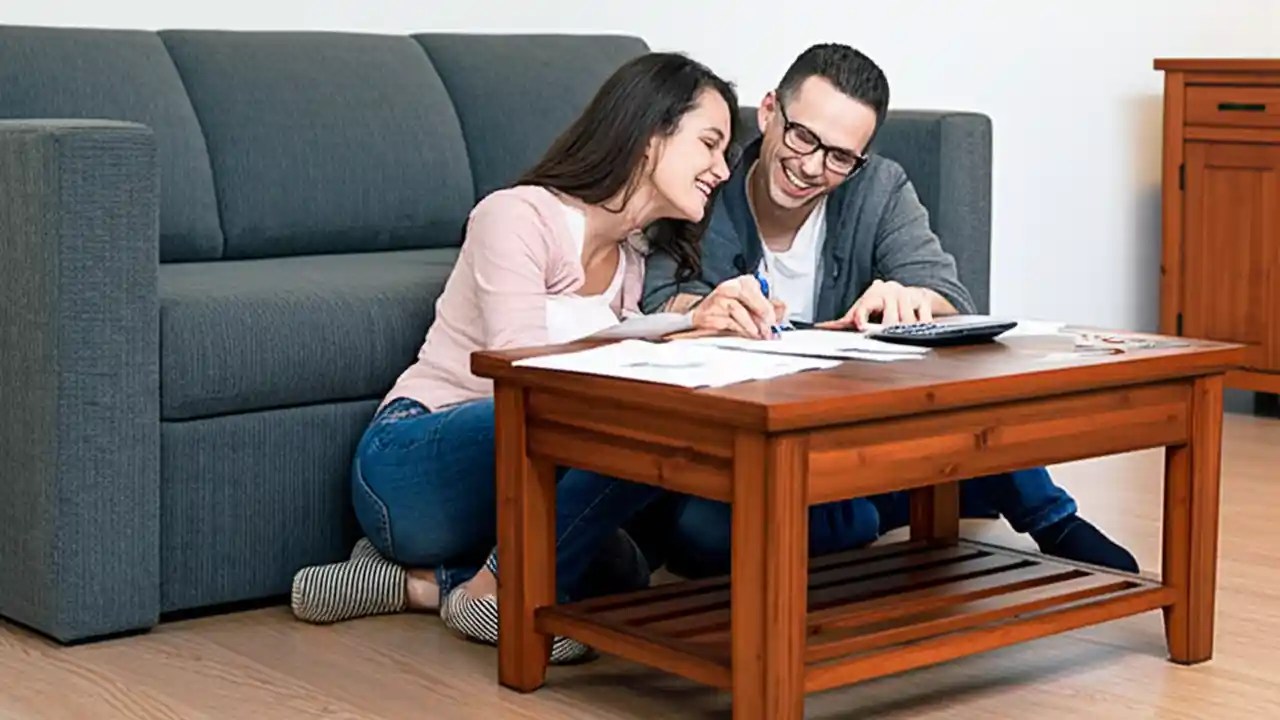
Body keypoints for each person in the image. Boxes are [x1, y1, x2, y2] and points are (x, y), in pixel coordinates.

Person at [288, 51, 784, 664]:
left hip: (510, 488)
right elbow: (521, 380)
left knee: (628, 570)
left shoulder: (630, 261)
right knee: (627, 424)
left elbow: (608, 358)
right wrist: (662, 339)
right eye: (709, 144)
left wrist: (697, 327)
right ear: (650, 134)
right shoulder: (518, 216)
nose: (721, 169)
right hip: (411, 461)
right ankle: (498, 586)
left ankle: (423, 584)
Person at [639, 43, 1139, 578]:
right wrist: (708, 309)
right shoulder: (707, 181)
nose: (810, 167)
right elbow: (655, 301)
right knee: (704, 535)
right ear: (768, 113)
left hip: (850, 432)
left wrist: (913, 299)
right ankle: (883, 508)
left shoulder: (877, 187)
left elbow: (952, 297)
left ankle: (1049, 519)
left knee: (967, 372)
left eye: (839, 157)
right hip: (742, 444)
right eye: (802, 136)